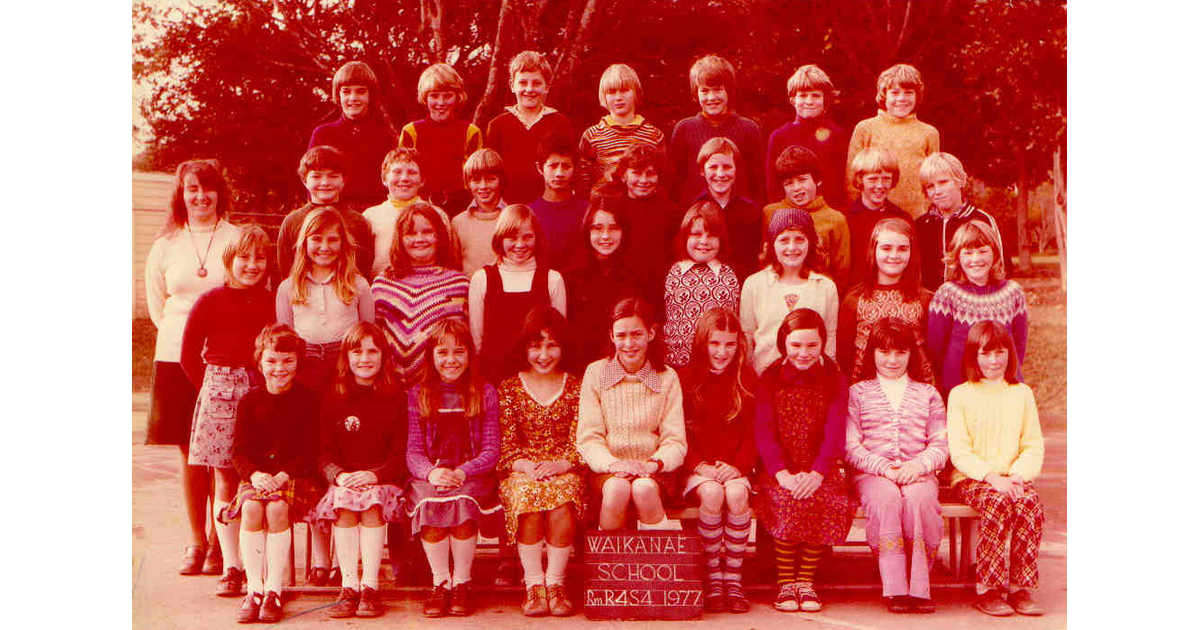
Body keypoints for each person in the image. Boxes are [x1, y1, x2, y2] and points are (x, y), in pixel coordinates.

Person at [144, 159, 242, 577]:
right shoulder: (166, 244)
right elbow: (156, 304)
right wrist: (184, 339)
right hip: (175, 355)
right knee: (190, 451)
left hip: (225, 356)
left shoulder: (236, 238)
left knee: (225, 451)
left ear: (220, 192)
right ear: (180, 195)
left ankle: (222, 541)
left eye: (207, 188)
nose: (200, 197)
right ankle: (196, 541)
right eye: (191, 189)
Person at [179, 224, 276, 596]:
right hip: (218, 389)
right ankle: (229, 563)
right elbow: (189, 355)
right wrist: (211, 389)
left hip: (259, 388)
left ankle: (254, 561)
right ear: (229, 260)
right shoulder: (210, 300)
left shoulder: (270, 302)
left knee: (256, 476)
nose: (252, 265)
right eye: (245, 257)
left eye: (260, 258)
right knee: (225, 479)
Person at [753, 308, 856, 613]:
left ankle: (805, 581)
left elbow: (835, 431)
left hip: (819, 466)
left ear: (823, 343)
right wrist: (782, 473)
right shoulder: (770, 378)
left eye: (812, 345)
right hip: (780, 466)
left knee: (822, 500)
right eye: (796, 345)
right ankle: (786, 582)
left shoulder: (835, 378)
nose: (804, 353)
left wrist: (818, 473)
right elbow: (764, 430)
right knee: (786, 500)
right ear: (784, 342)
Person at [845, 318, 947, 614]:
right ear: (872, 353)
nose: (892, 360)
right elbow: (850, 444)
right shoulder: (858, 393)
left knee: (920, 500)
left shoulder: (927, 394)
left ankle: (919, 587)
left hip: (918, 471)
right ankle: (894, 587)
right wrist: (883, 468)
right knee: (887, 499)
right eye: (884, 352)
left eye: (900, 352)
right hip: (873, 474)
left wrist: (918, 466)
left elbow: (941, 442)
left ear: (911, 354)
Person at [405, 318, 503, 618]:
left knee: (462, 501)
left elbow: (491, 449)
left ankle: (462, 581)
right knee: (430, 500)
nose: (451, 360)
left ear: (470, 355)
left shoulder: (484, 392)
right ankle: (441, 582)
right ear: (431, 357)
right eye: (442, 353)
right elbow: (413, 451)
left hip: (471, 474)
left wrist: (463, 472)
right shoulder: (418, 393)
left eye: (459, 352)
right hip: (432, 473)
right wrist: (431, 473)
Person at [222, 325, 320, 624]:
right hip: (257, 478)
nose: (279, 368)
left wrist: (284, 474)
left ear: (298, 362)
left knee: (277, 509)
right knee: (251, 507)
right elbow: (238, 451)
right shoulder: (250, 401)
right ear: (260, 361)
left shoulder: (308, 400)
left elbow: (312, 451)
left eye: (288, 361)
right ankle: (254, 590)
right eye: (272, 361)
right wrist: (253, 475)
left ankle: (274, 591)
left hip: (294, 478)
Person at [947, 321, 1045, 617]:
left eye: (1000, 352)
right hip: (973, 478)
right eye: (985, 353)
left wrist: (1017, 475)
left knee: (1029, 503)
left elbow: (1032, 443)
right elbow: (960, 450)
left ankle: (1019, 587)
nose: (993, 361)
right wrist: (991, 477)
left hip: (1013, 477)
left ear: (1009, 354)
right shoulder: (961, 394)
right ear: (973, 357)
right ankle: (988, 588)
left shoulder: (1021, 394)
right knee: (997, 502)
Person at [311, 322, 407, 619]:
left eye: (372, 351)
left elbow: (400, 454)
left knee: (371, 504)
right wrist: (338, 475)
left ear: (383, 356)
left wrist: (375, 475)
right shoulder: (334, 397)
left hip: (383, 481)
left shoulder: (396, 396)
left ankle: (370, 586)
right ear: (346, 357)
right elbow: (323, 454)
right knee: (346, 503)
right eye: (357, 351)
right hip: (345, 481)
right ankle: (349, 585)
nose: (365, 359)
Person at [497, 307, 583, 617]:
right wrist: (524, 466)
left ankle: (556, 584)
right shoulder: (509, 388)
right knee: (527, 495)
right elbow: (505, 445)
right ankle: (534, 585)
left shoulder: (576, 386)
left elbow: (582, 440)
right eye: (536, 346)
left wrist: (564, 464)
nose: (544, 354)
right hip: (523, 468)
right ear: (524, 348)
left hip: (564, 468)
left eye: (552, 345)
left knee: (562, 497)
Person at [576, 298, 687, 531]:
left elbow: (675, 441)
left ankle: (655, 563)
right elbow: (589, 438)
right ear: (611, 336)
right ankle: (611, 564)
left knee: (642, 487)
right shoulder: (596, 373)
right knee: (618, 488)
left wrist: (652, 465)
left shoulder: (666, 377)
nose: (628, 344)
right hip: (608, 470)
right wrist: (613, 464)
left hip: (656, 470)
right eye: (621, 335)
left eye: (637, 334)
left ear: (651, 333)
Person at [678, 308, 757, 613]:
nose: (722, 352)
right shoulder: (686, 379)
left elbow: (755, 431)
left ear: (739, 345)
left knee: (737, 494)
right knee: (711, 493)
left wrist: (739, 465)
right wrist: (699, 465)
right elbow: (675, 429)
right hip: (696, 467)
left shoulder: (747, 379)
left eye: (729, 344)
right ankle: (711, 576)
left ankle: (733, 579)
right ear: (702, 343)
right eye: (715, 344)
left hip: (734, 466)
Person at [276, 207, 375, 393]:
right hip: (305, 365)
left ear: (343, 243)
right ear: (304, 243)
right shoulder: (287, 288)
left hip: (345, 364)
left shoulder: (358, 285)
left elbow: (368, 334)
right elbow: (286, 340)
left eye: (332, 240)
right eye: (316, 239)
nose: (324, 247)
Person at [468, 204, 567, 384]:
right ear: (499, 238)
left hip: (539, 379)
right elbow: (477, 341)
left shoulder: (553, 280)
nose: (520, 245)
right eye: (511, 238)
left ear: (537, 238)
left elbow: (558, 340)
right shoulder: (482, 279)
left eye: (527, 237)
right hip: (494, 377)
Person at [927, 220, 1027, 395]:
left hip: (1003, 386)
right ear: (957, 256)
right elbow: (936, 349)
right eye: (968, 253)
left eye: (983, 251)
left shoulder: (1013, 292)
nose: (976, 259)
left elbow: (1019, 345)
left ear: (995, 253)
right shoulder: (947, 295)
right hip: (959, 388)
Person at [372, 202, 469, 383]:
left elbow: (467, 343)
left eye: (427, 232)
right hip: (390, 387)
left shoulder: (459, 285)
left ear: (439, 236)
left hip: (440, 386)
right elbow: (373, 340)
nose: (419, 239)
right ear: (400, 239)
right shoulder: (382, 285)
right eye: (410, 233)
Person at [740, 207, 839, 374]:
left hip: (811, 380)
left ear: (811, 242)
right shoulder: (754, 284)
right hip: (763, 379)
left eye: (800, 239)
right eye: (784, 240)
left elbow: (829, 340)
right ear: (772, 244)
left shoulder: (825, 287)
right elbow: (747, 338)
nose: (792, 247)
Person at [837, 218, 934, 383]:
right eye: (886, 248)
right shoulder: (855, 299)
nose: (894, 256)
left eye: (902, 249)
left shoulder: (925, 299)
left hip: (916, 393)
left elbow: (934, 353)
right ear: (873, 250)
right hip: (865, 394)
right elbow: (844, 355)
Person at [563, 196, 646, 372]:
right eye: (597, 228)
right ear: (587, 231)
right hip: (583, 370)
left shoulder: (638, 274)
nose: (606, 236)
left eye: (614, 228)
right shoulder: (571, 277)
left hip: (629, 368)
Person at [847, 64, 940, 218]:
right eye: (895, 93)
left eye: (908, 93)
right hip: (872, 215)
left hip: (917, 215)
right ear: (884, 95)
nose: (901, 99)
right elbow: (851, 178)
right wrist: (857, 212)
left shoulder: (929, 133)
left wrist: (929, 211)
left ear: (917, 95)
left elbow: (934, 178)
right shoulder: (865, 128)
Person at [669, 54, 764, 204]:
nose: (711, 97)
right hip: (696, 220)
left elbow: (758, 183)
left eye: (718, 89)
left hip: (739, 217)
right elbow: (674, 184)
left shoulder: (748, 129)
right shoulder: (684, 129)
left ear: (729, 90)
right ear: (695, 93)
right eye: (705, 91)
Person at [486, 50, 574, 204]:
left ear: (546, 86)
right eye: (523, 83)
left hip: (551, 205)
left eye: (536, 83)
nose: (529, 89)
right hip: (508, 208)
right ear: (512, 85)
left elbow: (569, 168)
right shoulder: (497, 126)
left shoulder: (560, 123)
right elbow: (491, 174)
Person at [308, 61, 399, 208]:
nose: (353, 98)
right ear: (338, 95)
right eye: (346, 91)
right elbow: (312, 181)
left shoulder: (386, 137)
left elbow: (393, 184)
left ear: (371, 95)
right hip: (332, 214)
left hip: (373, 215)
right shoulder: (322, 134)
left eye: (360, 91)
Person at [276, 146, 374, 280]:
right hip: (303, 296)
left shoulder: (358, 222)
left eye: (333, 176)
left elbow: (365, 268)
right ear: (305, 181)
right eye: (316, 176)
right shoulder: (292, 221)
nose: (325, 183)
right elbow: (284, 269)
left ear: (343, 180)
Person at [914, 152, 1008, 291]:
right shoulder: (920, 225)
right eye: (930, 186)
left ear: (961, 181)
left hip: (972, 304)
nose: (937, 191)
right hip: (931, 305)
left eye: (943, 182)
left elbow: (1002, 267)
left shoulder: (982, 220)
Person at [662, 202, 740, 368]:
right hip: (678, 364)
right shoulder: (672, 272)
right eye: (696, 234)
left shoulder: (730, 275)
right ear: (685, 236)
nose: (704, 241)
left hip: (718, 365)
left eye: (711, 235)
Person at [762, 145, 851, 290]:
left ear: (817, 180)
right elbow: (764, 261)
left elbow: (842, 273)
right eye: (789, 183)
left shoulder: (836, 220)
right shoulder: (770, 213)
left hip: (819, 294)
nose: (797, 188)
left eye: (802, 179)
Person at [362, 147, 456, 279]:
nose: (405, 178)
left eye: (412, 172)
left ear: (422, 180)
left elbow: (447, 256)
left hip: (430, 286)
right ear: (384, 178)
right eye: (397, 172)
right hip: (384, 289)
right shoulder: (370, 216)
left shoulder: (438, 214)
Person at [401, 62, 483, 214]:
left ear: (457, 97)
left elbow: (478, 177)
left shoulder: (470, 131)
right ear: (425, 97)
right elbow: (402, 174)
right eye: (434, 96)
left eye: (447, 96)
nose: (441, 103)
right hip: (420, 206)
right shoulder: (411, 131)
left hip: (462, 207)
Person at [591, 144, 678, 286]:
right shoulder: (610, 207)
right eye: (637, 173)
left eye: (650, 174)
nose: (643, 180)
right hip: (617, 282)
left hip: (657, 283)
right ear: (623, 174)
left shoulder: (671, 210)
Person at [765, 64, 849, 209]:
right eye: (803, 95)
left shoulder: (837, 136)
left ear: (825, 100)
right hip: (791, 217)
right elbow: (773, 186)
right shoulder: (779, 137)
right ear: (792, 99)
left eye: (815, 95)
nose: (809, 101)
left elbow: (842, 183)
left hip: (829, 216)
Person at [579, 63, 666, 193]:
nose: (618, 97)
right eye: (612, 92)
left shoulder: (654, 135)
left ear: (636, 92)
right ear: (604, 96)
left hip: (642, 207)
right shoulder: (592, 136)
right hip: (605, 205)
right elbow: (582, 178)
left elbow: (662, 176)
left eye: (624, 90)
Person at [691, 137, 762, 276]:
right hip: (705, 284)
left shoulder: (751, 211)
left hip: (743, 282)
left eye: (727, 167)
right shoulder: (694, 210)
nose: (720, 174)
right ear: (702, 171)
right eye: (713, 167)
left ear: (736, 169)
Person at [845, 147, 913, 289]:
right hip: (857, 292)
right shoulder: (847, 219)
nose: (880, 185)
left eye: (886, 179)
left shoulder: (902, 218)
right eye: (873, 179)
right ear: (860, 180)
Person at [528, 135, 589, 270]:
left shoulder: (587, 211)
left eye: (566, 166)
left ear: (575, 168)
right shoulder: (530, 214)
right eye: (553, 166)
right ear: (540, 168)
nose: (559, 173)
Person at [452, 148, 508, 278]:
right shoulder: (458, 223)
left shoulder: (512, 218)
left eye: (490, 179)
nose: (483, 186)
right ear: (467, 183)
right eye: (476, 180)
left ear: (501, 180)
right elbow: (454, 267)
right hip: (469, 293)